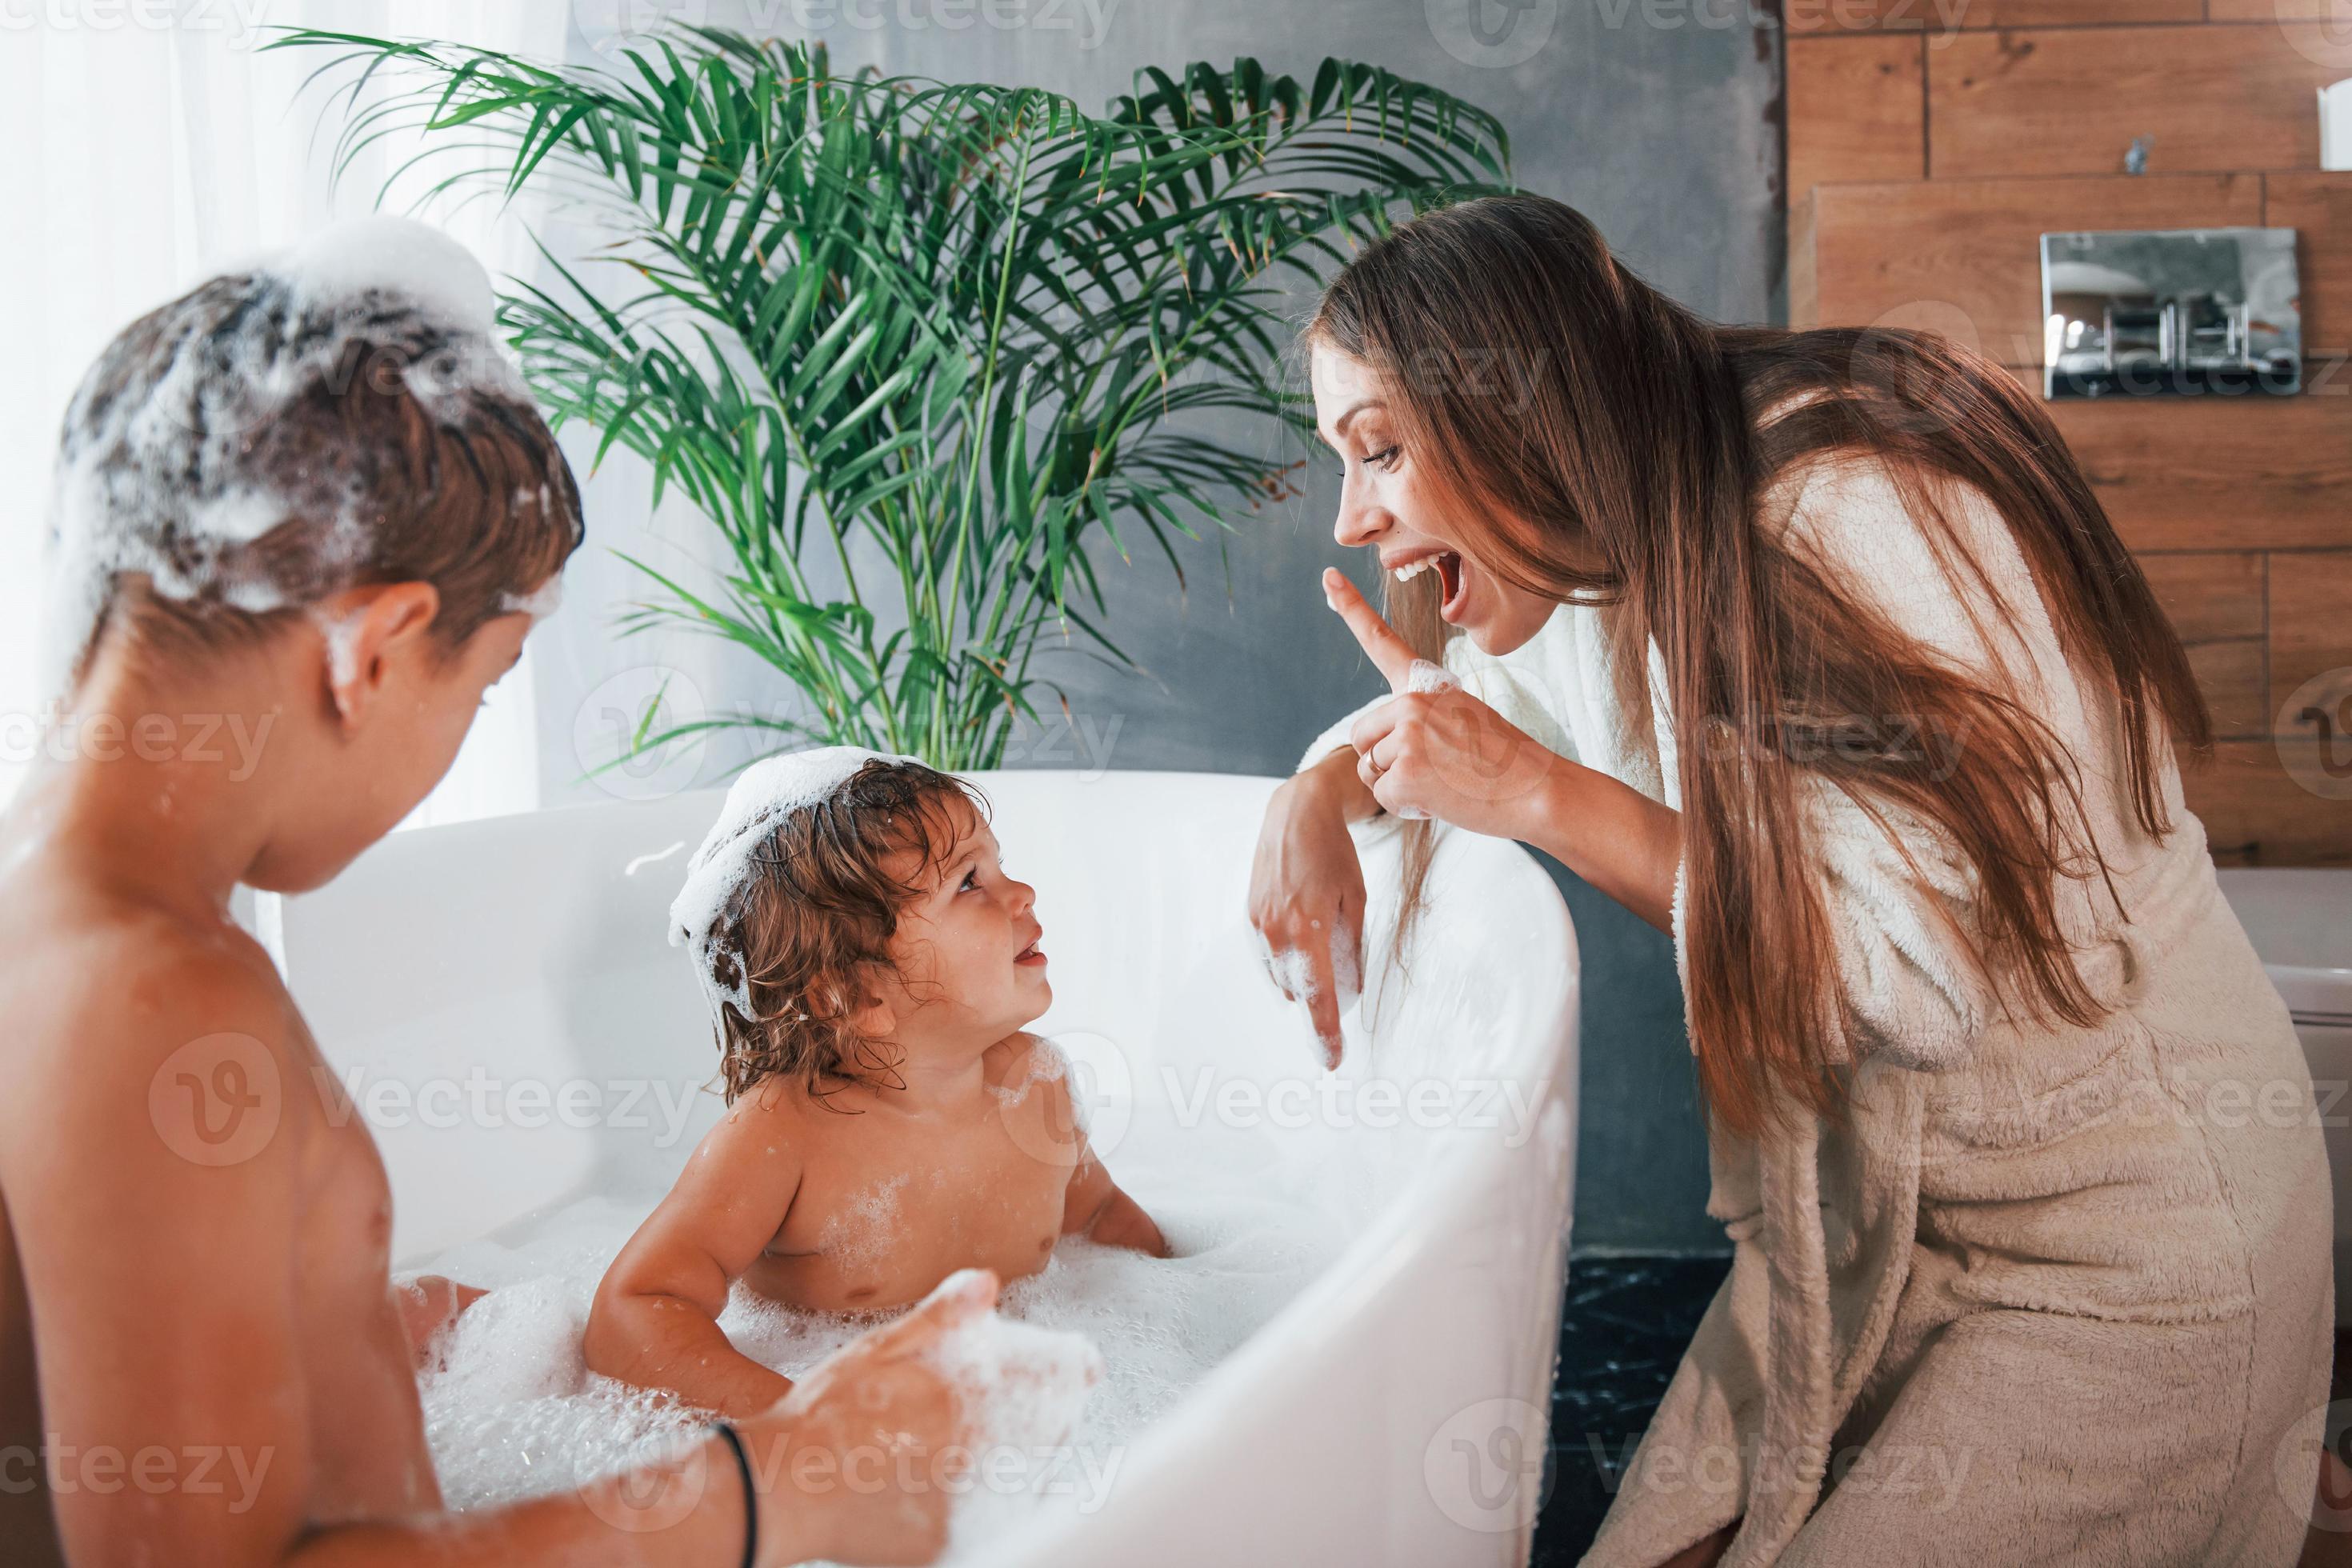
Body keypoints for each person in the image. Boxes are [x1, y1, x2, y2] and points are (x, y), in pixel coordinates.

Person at [1248, 192, 2333, 1566]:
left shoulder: (1844, 509)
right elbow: (1452, 712)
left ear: (1520, 408)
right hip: (1868, 1229)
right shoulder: (1597, 555)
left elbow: (1909, 986)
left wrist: (1545, 800)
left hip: (2124, 1246)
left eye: (1381, 449)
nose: (1351, 518)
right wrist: (1316, 796)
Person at [0, 217, 998, 1567]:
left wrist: (364, 1322)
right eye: (487, 684)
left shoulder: (62, 930)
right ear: (380, 645)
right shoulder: (153, 992)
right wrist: (778, 1489)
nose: (467, 727)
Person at [586, 750, 1165, 1416]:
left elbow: (1099, 1219)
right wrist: (807, 1425)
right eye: (969, 883)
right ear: (856, 994)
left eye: (999, 864)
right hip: (830, 1426)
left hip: (1014, 1415)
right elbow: (635, 1309)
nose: (1021, 893)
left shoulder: (1036, 1083)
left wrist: (1199, 1299)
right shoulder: (784, 1134)